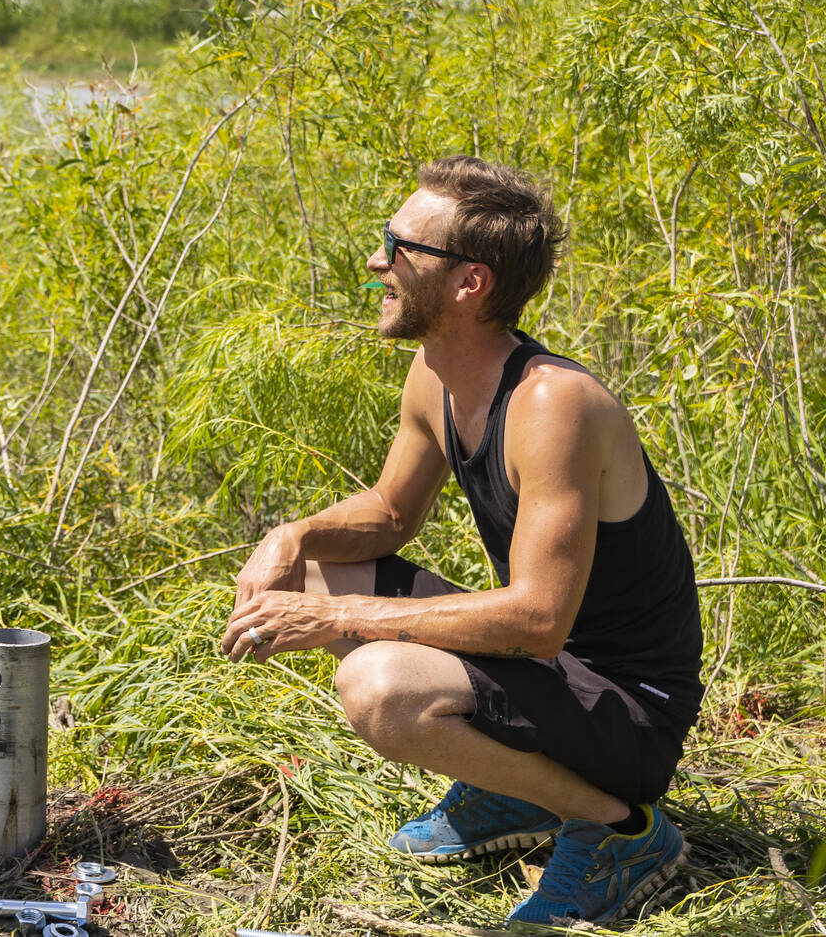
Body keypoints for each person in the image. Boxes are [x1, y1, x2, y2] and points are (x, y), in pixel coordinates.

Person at [220, 156, 701, 926]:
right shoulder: (436, 372)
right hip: (544, 667)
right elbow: (387, 512)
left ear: (468, 282)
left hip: (625, 706)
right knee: (308, 574)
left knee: (378, 685)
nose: (377, 261)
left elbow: (539, 620)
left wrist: (341, 623)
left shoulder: (554, 405)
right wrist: (291, 533)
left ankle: (618, 830)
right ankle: (518, 785)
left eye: (399, 246)